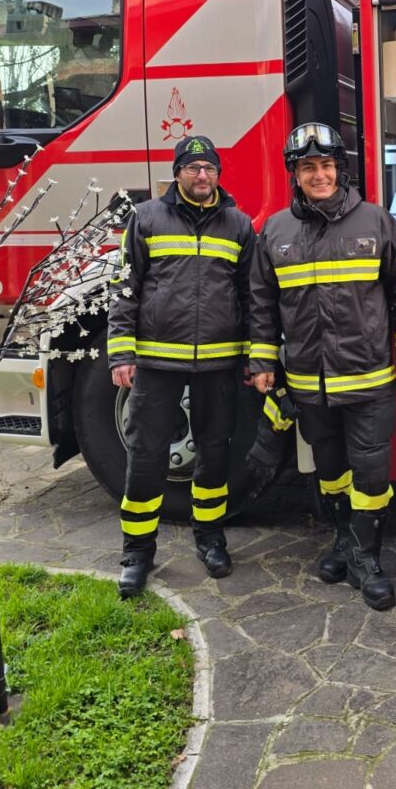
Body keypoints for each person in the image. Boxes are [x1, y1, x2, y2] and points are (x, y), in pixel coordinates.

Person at [249, 122, 396, 610]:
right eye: (308, 167)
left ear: (339, 169)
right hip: (309, 383)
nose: (319, 175)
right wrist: (262, 357)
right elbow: (261, 303)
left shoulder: (376, 221)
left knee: (370, 472)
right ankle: (344, 541)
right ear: (295, 173)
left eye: (326, 165)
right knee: (330, 470)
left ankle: (367, 558)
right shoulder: (275, 231)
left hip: (369, 378)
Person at [107, 134, 255, 598]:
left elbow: (251, 296)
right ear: (177, 174)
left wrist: (254, 355)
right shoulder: (146, 218)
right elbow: (125, 288)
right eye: (193, 168)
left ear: (218, 174)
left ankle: (210, 539)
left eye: (209, 168)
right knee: (146, 456)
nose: (202, 175)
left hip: (219, 363)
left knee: (214, 454)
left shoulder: (239, 225)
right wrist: (121, 352)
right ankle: (137, 553)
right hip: (157, 362)